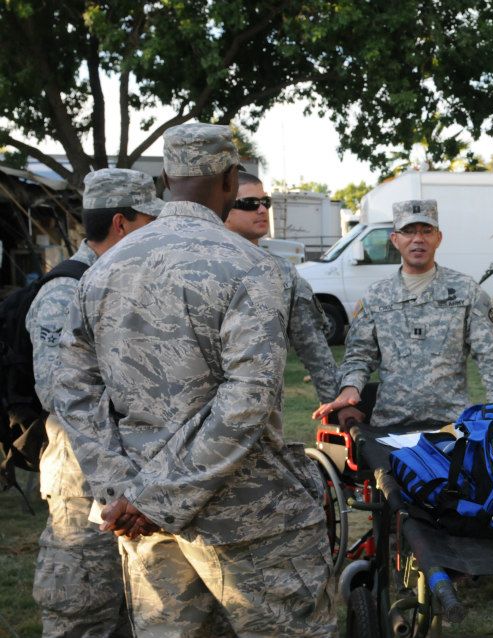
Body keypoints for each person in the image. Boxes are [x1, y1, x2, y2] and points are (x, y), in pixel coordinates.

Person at [53, 122, 336, 637]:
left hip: (145, 524)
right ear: (229, 180)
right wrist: (149, 498)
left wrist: (123, 492)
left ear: (165, 180)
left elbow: (73, 391)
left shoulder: (102, 271)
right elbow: (249, 397)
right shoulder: (254, 268)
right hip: (249, 519)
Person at [27, 168, 160, 638]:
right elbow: (56, 391)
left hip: (134, 479)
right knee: (83, 614)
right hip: (82, 486)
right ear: (121, 223)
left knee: (137, 613)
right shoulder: (64, 291)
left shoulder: (128, 283)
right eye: (149, 222)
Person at [314, 199, 493, 427]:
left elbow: (491, 358)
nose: (418, 239)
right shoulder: (377, 296)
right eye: (408, 231)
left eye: (427, 231)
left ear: (439, 238)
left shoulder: (466, 292)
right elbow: (359, 356)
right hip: (389, 426)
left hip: (451, 426)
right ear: (394, 240)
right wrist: (350, 388)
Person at [224, 171, 338, 403]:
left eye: (265, 202)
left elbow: (313, 346)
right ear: (224, 210)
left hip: (264, 412)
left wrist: (335, 402)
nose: (262, 210)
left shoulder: (282, 272)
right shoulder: (203, 270)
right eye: (249, 203)